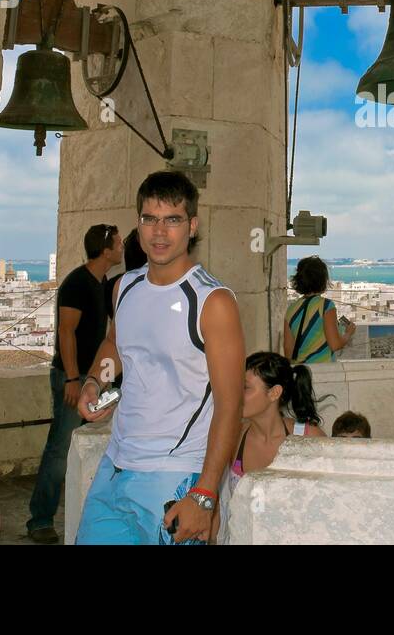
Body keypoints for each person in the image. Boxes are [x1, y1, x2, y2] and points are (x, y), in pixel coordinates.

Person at [75, 171, 245, 545]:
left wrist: (204, 494)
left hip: (176, 476)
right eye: (149, 219)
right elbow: (114, 345)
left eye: (172, 219)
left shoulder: (212, 302)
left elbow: (230, 406)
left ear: (192, 225)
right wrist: (95, 381)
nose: (159, 231)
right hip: (115, 468)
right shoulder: (125, 286)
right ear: (138, 225)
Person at [25, 223, 122, 544]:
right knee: (60, 449)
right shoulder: (78, 283)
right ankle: (40, 520)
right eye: (118, 244)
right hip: (74, 377)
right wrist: (71, 378)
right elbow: (66, 332)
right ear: (106, 249)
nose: (121, 248)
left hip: (89, 377)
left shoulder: (100, 281)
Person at [215, 351, 324, 545]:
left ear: (274, 393)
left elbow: (328, 503)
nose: (235, 394)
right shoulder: (234, 438)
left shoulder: (308, 438)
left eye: (245, 388)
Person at [283, 256, 354, 363]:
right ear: (322, 280)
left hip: (300, 372)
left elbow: (288, 350)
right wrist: (348, 333)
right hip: (322, 370)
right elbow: (335, 345)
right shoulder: (325, 306)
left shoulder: (291, 309)